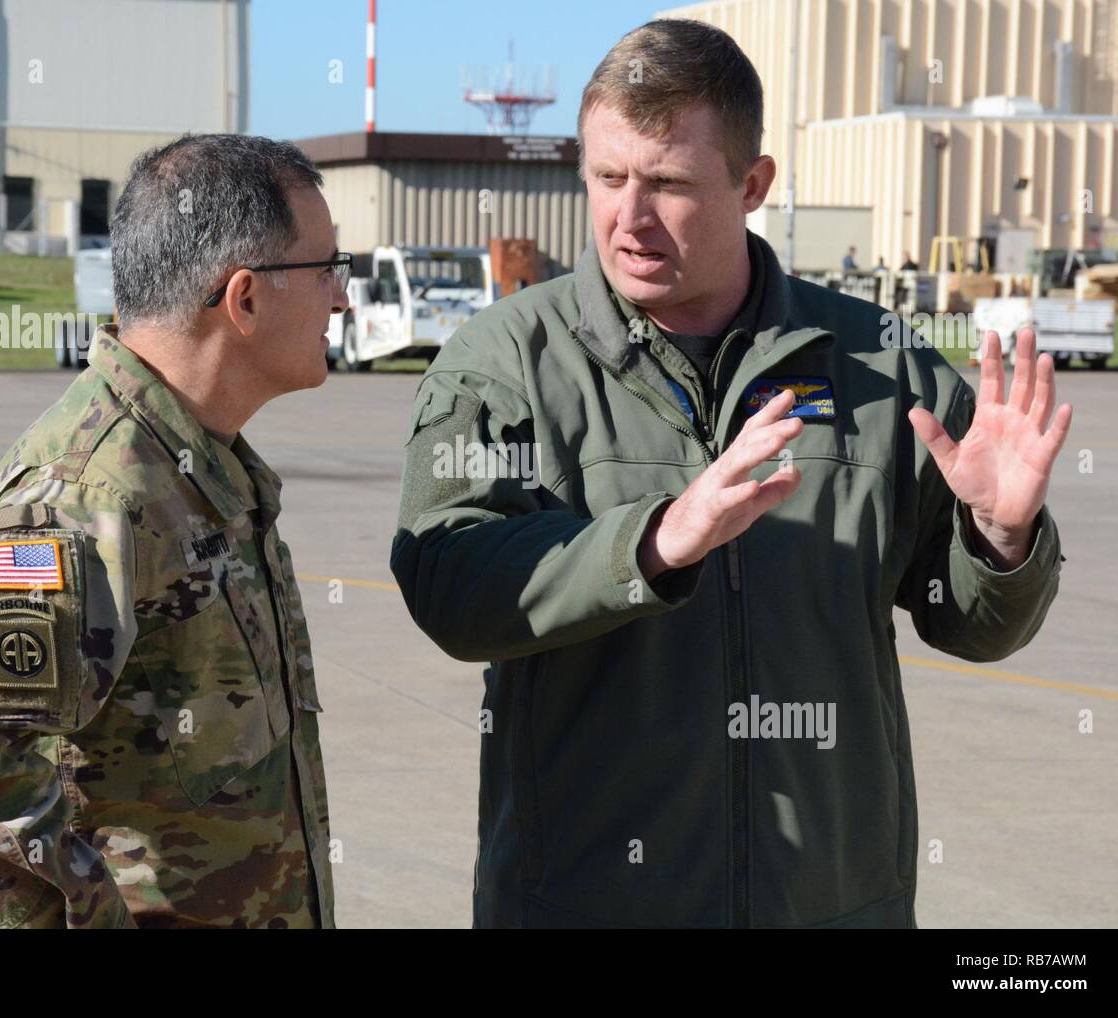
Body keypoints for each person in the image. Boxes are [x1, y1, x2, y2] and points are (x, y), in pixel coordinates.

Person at [390, 19, 1069, 928]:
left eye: (667, 184)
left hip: (830, 903)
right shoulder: (503, 360)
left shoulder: (879, 365)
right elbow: (449, 586)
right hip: (589, 903)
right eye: (606, 177)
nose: (627, 218)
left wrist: (1000, 540)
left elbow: (973, 627)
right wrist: (655, 545)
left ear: (753, 185)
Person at [0, 134, 349, 928]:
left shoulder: (201, 465)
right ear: (246, 299)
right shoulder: (88, 497)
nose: (342, 299)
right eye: (327, 268)